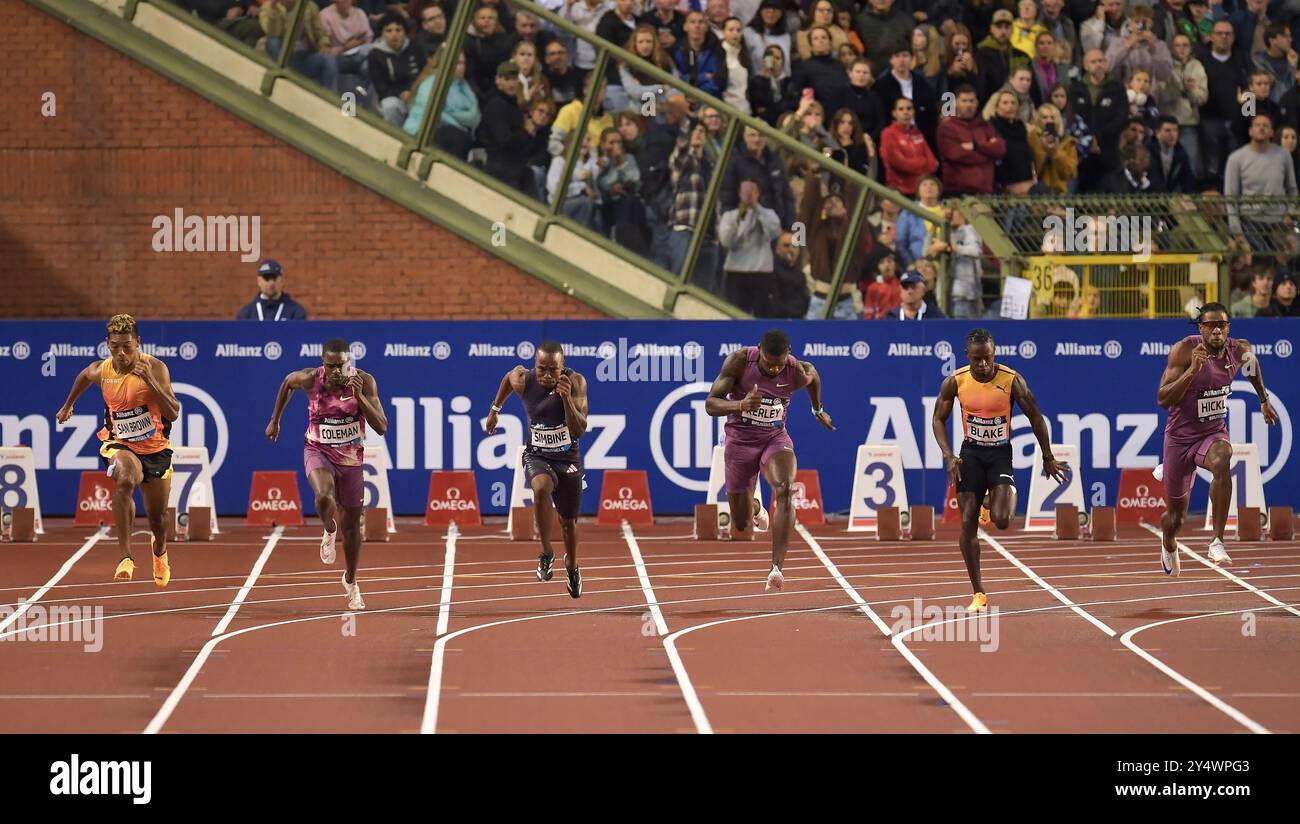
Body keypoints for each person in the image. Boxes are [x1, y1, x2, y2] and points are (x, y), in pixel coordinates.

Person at [931, 328, 1069, 613]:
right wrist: (948, 455)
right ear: (967, 356)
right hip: (970, 454)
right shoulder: (955, 382)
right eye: (978, 359)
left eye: (988, 359)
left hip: (999, 455)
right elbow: (937, 419)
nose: (983, 365)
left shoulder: (1011, 379)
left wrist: (1047, 455)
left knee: (1003, 520)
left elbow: (1035, 416)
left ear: (995, 354)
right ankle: (978, 592)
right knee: (968, 523)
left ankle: (988, 503)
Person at [56, 315, 180, 587]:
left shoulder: (156, 368)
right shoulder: (103, 370)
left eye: (127, 347)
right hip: (120, 443)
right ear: (107, 345)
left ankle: (159, 550)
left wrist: (151, 381)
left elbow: (173, 411)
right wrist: (68, 406)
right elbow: (84, 376)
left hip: (155, 449)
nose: (121, 354)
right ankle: (126, 557)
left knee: (159, 519)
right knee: (123, 479)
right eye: (115, 347)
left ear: (138, 342)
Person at [705, 330, 834, 591]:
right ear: (759, 352)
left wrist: (817, 409)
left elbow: (813, 377)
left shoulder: (796, 370)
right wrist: (740, 405)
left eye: (780, 363)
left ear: (788, 353)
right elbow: (711, 404)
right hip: (740, 441)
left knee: (785, 489)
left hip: (774, 438)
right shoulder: (739, 361)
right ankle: (755, 509)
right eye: (768, 363)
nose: (775, 368)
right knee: (740, 522)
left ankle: (776, 568)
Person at [1155, 303, 1278, 575]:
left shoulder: (1240, 349)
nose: (1217, 330)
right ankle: (1168, 541)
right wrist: (1191, 372)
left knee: (1223, 459)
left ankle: (1217, 541)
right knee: (1175, 518)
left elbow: (1253, 369)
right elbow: (1163, 399)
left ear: (1228, 328)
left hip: (1212, 433)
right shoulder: (1185, 350)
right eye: (1210, 325)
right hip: (1179, 439)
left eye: (1222, 325)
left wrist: (1263, 401)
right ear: (1201, 328)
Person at [265, 339, 387, 609]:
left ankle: (351, 581)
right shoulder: (311, 379)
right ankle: (329, 529)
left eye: (340, 366)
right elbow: (287, 382)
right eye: (330, 366)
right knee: (323, 497)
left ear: (349, 363)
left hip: (351, 459)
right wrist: (276, 419)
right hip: (317, 450)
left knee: (353, 528)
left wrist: (360, 398)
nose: (335, 371)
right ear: (323, 364)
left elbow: (381, 426)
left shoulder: (364, 382)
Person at [484, 342, 589, 598]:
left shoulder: (575, 383)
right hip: (537, 455)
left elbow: (580, 429)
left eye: (553, 370)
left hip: (568, 459)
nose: (547, 375)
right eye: (542, 368)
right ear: (535, 364)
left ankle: (572, 565)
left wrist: (566, 400)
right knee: (541, 488)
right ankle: (546, 552)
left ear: (562, 367)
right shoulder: (524, 379)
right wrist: (495, 410)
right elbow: (508, 379)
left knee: (568, 523)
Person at [718, 178, 782, 315]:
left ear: (758, 193)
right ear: (739, 193)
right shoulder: (730, 216)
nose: (748, 194)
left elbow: (775, 231)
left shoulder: (768, 213)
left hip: (761, 273)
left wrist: (756, 208)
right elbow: (726, 241)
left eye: (752, 190)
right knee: (734, 315)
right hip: (736, 272)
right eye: (745, 190)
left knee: (762, 316)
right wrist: (741, 216)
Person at [936, 85, 1006, 195]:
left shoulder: (985, 125)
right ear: (955, 103)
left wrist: (976, 147)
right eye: (964, 101)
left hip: (986, 189)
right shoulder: (946, 128)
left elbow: (1000, 149)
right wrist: (988, 152)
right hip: (958, 191)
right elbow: (957, 154)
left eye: (972, 101)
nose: (969, 105)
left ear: (977, 103)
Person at [236, 259, 309, 320]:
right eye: (266, 278)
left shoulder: (295, 312)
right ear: (259, 281)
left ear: (281, 280)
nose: (271, 283)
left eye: (274, 278)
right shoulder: (246, 314)